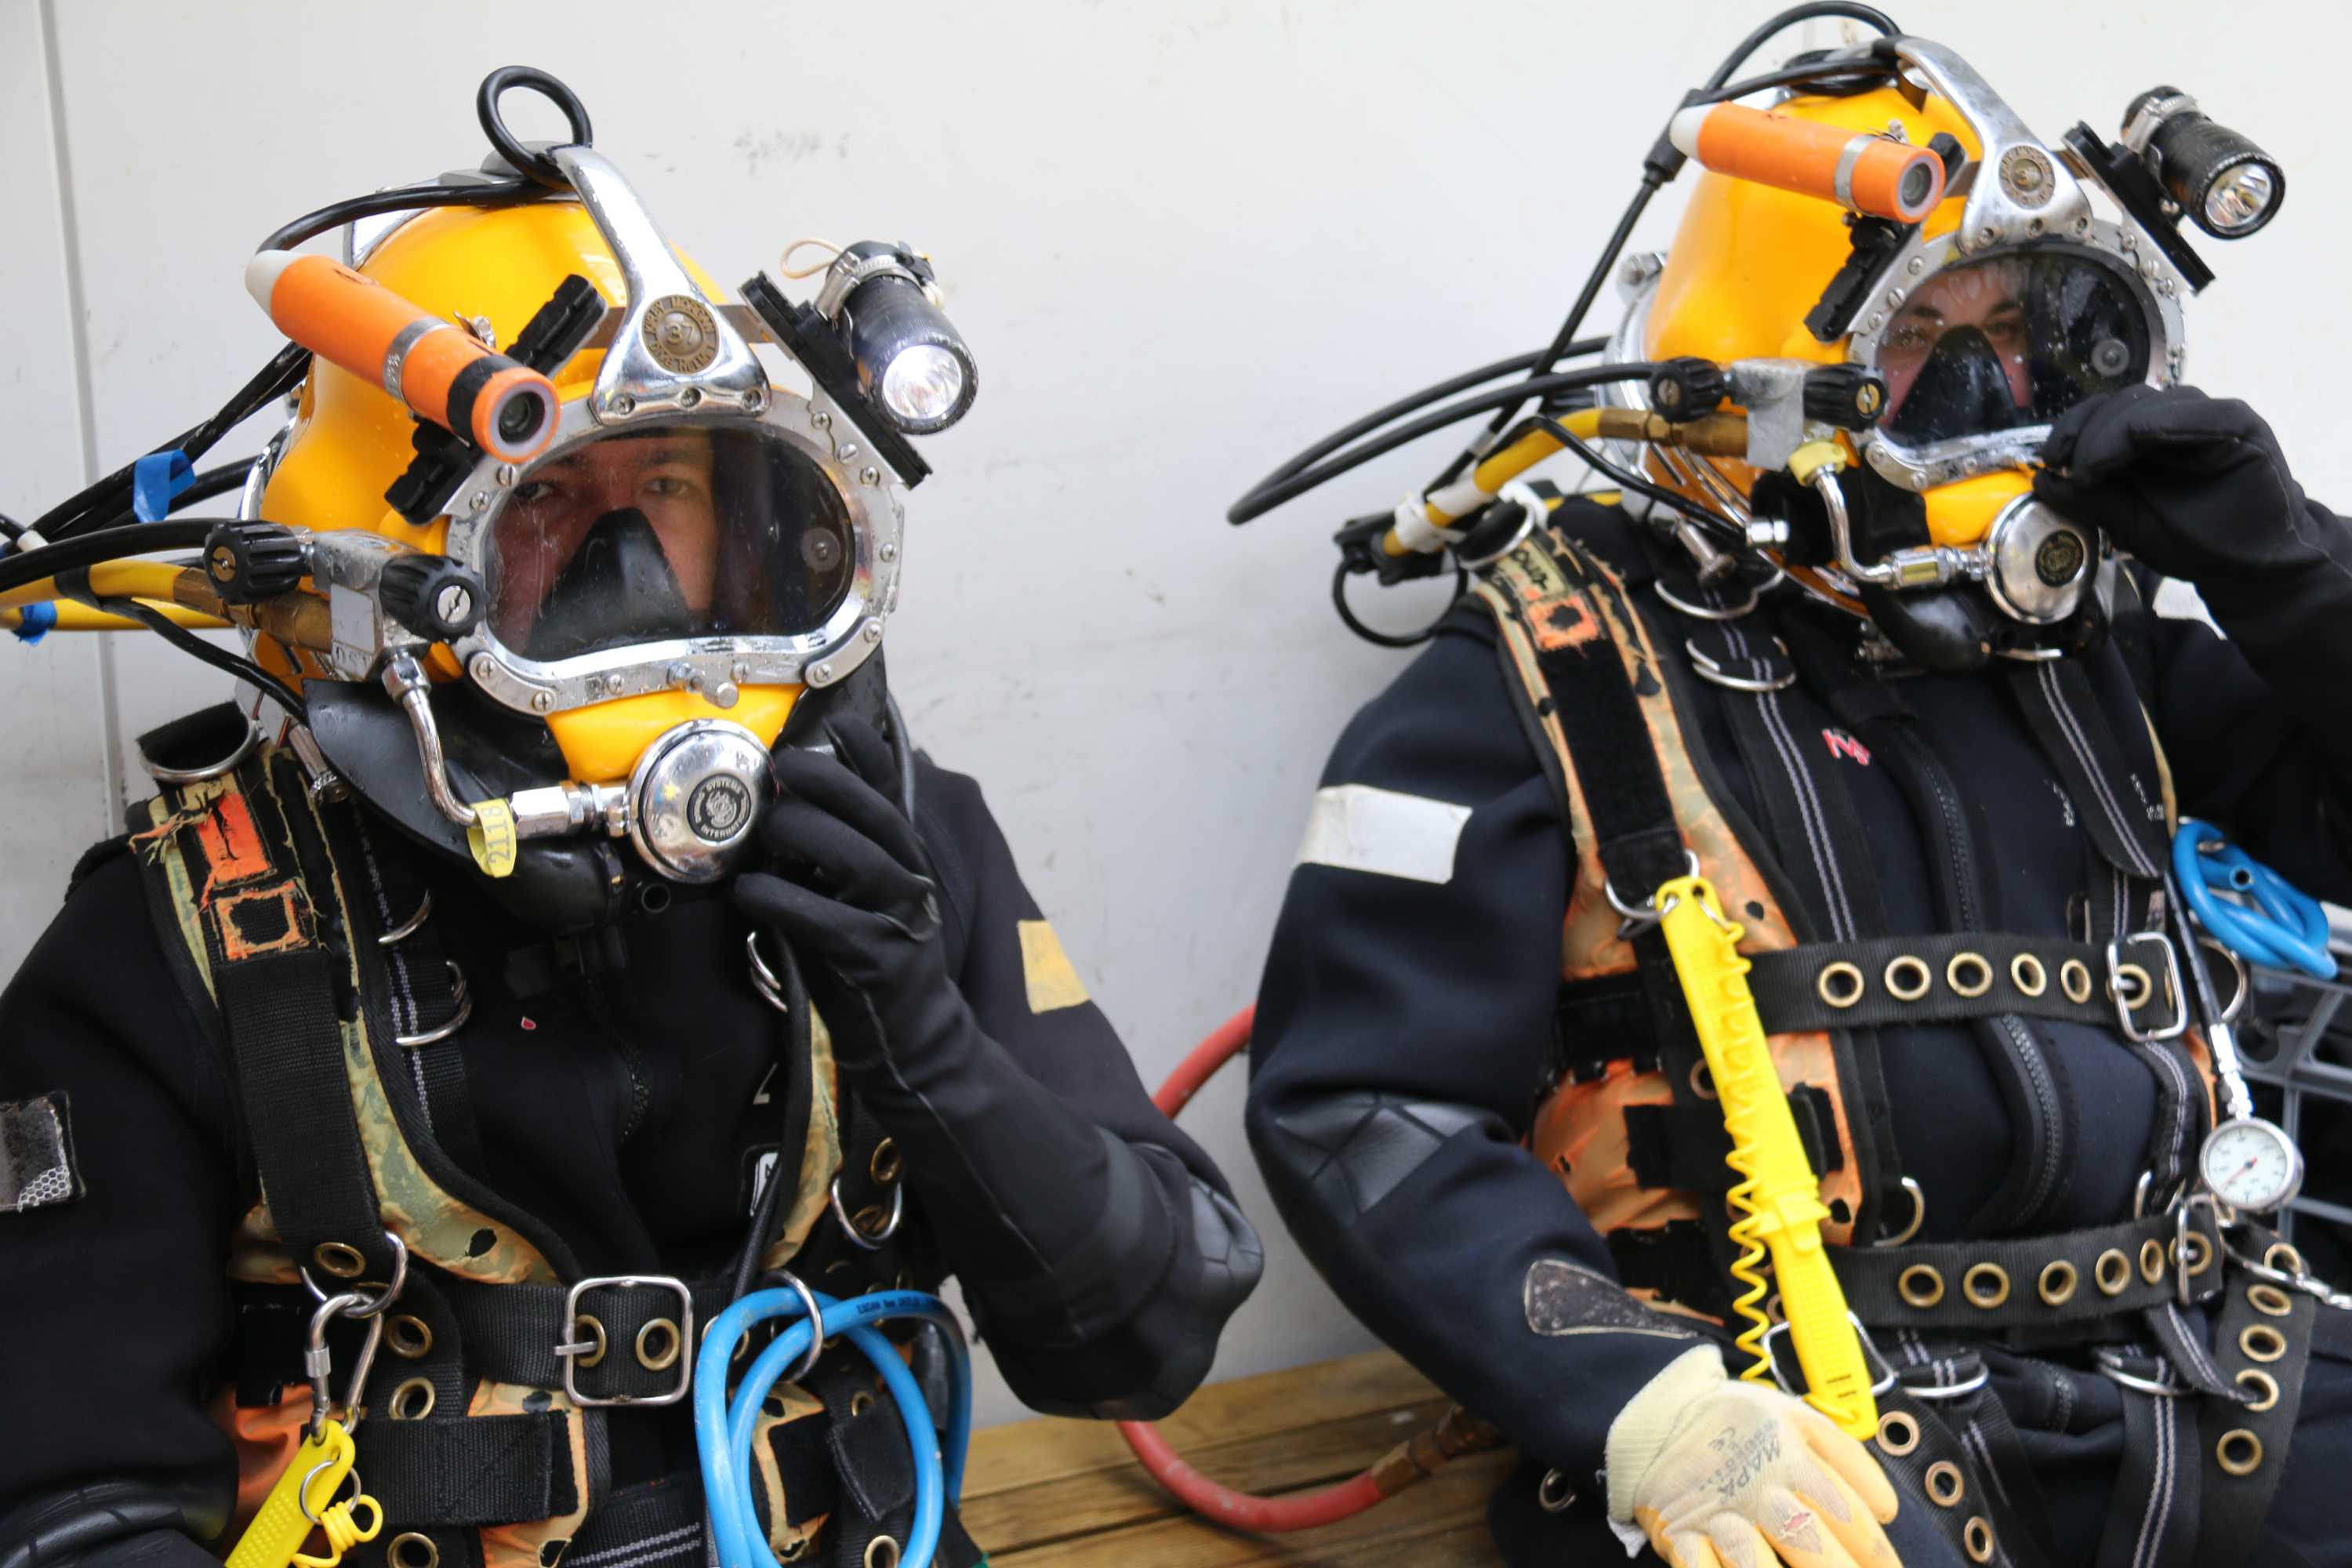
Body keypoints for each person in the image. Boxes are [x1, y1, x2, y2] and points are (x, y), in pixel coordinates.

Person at [0, 71, 1258, 1568]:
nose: (630, 569)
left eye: (666, 485)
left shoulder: (894, 842)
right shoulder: (189, 937)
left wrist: (929, 1049)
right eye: (543, 503)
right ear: (387, 565)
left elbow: (1144, 1341)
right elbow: (72, 1505)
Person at [1244, 24, 2350, 1568]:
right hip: (1786, 1422)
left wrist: (2295, 574)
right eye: (1923, 337)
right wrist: (1638, 1405)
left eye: (2018, 336)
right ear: (1772, 354)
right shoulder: (1547, 665)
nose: (1983, 386)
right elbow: (1365, 1106)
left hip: (2197, 1376)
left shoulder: (2097, 651)